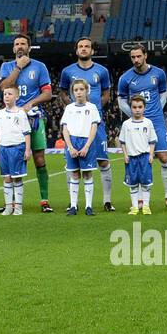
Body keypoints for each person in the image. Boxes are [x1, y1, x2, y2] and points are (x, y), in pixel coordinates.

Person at [0, 35, 54, 210]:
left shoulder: (40, 67)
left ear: (29, 47)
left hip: (34, 117)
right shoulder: (6, 66)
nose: (20, 46)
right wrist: (18, 67)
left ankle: (44, 201)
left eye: (23, 44)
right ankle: (11, 203)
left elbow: (48, 93)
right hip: (11, 121)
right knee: (13, 161)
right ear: (13, 49)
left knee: (39, 159)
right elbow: (4, 87)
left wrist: (31, 104)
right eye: (17, 44)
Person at [116, 45, 167, 209]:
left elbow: (163, 93)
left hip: (156, 122)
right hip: (135, 125)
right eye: (133, 57)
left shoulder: (158, 73)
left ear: (145, 56)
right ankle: (140, 200)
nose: (136, 60)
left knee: (164, 157)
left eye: (138, 56)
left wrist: (157, 110)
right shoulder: (125, 78)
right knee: (138, 160)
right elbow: (121, 100)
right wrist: (135, 116)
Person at [58, 38, 113, 212]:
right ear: (76, 50)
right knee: (72, 163)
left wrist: (93, 110)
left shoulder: (102, 71)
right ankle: (72, 202)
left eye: (87, 46)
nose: (84, 49)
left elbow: (106, 94)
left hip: (96, 123)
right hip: (75, 126)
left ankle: (107, 201)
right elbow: (63, 92)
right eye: (80, 46)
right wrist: (72, 108)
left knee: (103, 161)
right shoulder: (67, 71)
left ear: (92, 51)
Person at [61, 78, 102, 216]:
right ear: (72, 92)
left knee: (87, 173)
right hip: (72, 142)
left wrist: (86, 146)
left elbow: (94, 127)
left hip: (86, 143)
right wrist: (70, 147)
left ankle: (88, 206)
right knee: (74, 173)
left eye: (81, 89)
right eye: (76, 90)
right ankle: (73, 206)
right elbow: (65, 129)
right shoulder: (69, 108)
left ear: (86, 90)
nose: (78, 92)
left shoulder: (92, 108)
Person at [0, 86, 32, 217]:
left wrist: (27, 149)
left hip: (17, 148)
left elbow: (26, 133)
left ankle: (18, 207)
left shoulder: (20, 113)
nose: (6, 96)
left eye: (9, 94)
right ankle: (8, 207)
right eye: (5, 94)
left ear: (16, 97)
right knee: (7, 178)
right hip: (3, 149)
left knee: (16, 178)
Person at [119, 96, 157, 216]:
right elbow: (123, 142)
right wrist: (125, 155)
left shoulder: (148, 123)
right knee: (133, 184)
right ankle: (135, 207)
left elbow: (152, 141)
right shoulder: (126, 124)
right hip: (131, 158)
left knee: (146, 184)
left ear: (144, 108)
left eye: (140, 107)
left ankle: (146, 206)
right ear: (131, 108)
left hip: (145, 157)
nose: (137, 110)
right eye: (134, 107)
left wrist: (151, 155)